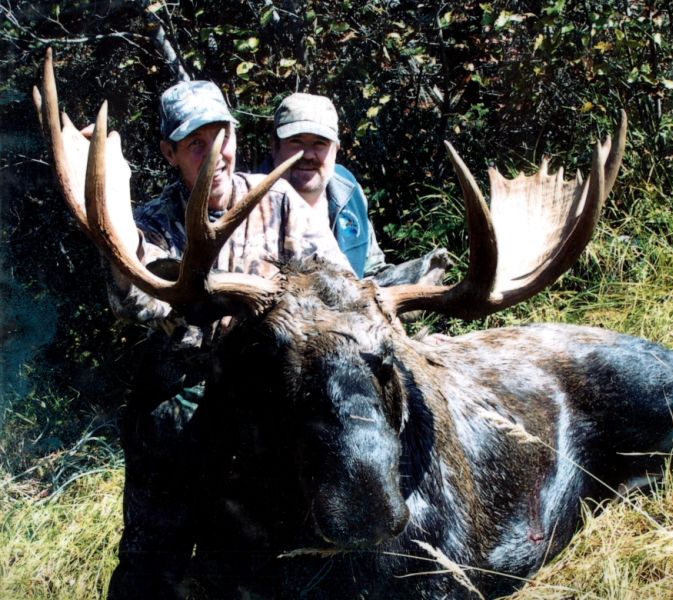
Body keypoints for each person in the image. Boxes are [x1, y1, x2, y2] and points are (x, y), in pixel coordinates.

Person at [96, 81, 354, 600]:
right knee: (152, 563)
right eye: (196, 144)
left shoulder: (276, 198)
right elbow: (134, 301)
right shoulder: (148, 222)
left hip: (261, 409)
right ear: (169, 153)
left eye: (224, 136)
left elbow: (337, 286)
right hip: (181, 405)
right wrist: (111, 192)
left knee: (245, 564)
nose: (217, 154)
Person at [259, 92, 451, 286]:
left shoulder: (349, 194)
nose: (308, 155)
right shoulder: (248, 206)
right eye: (296, 142)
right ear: (274, 146)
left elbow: (371, 270)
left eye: (320, 143)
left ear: (336, 149)